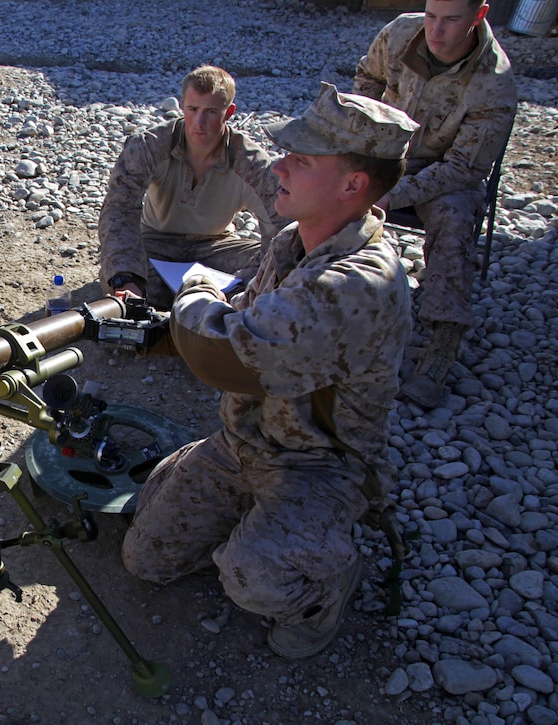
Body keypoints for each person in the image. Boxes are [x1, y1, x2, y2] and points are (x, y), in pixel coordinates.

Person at [122, 83, 419, 658]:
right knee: (146, 560)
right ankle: (239, 503)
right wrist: (145, 330)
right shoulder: (294, 242)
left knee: (252, 580)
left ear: (353, 185)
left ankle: (328, 586)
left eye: (301, 161)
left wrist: (198, 285)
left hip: (317, 464)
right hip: (246, 440)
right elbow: (244, 318)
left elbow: (225, 352)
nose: (278, 164)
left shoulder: (355, 283)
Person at [353, 0, 517, 408]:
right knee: (320, 182)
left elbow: (464, 170)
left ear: (479, 16)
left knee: (455, 217)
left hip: (444, 175)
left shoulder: (494, 83)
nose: (436, 31)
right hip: (386, 154)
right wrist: (362, 138)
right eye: (431, 16)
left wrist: (394, 195)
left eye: (451, 20)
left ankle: (443, 341)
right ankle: (309, 302)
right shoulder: (399, 34)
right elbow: (367, 78)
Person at [97, 65, 283, 309]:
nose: (199, 122)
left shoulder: (251, 162)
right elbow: (119, 209)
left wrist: (268, 284)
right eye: (193, 109)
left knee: (269, 270)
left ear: (229, 112)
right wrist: (125, 277)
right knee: (127, 284)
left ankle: (221, 304)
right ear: (182, 105)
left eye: (211, 112)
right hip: (155, 245)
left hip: (215, 247)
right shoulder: (150, 145)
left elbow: (280, 226)